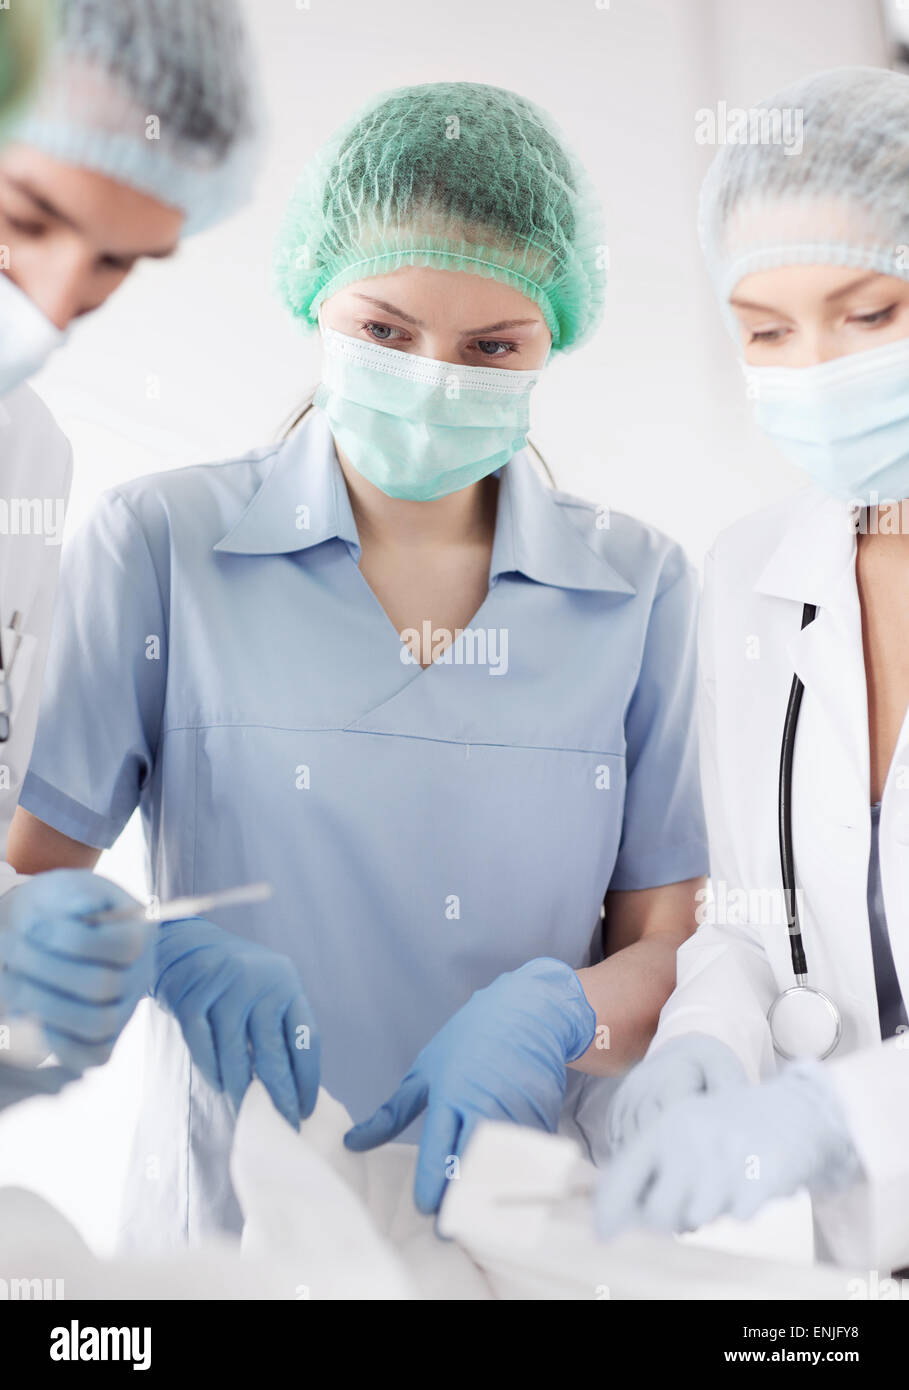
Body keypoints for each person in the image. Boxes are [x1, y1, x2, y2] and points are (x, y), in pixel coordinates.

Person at [8, 81, 708, 1248]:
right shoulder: (162, 546)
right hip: (227, 1239)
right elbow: (27, 892)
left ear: (557, 336)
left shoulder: (639, 587)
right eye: (385, 332)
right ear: (314, 297)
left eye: (491, 346)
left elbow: (678, 948)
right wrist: (155, 947)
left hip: (529, 1231)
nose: (433, 378)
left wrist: (553, 1018)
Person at [599, 67, 909, 1274]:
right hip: (855, 1262)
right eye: (768, 331)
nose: (815, 368)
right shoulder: (748, 572)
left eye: (870, 313)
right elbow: (749, 913)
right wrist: (707, 1045)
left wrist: (836, 1118)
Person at [0, 0, 261, 1106]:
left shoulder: (24, 453)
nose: (59, 302)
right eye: (27, 217)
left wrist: (38, 960)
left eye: (119, 263)